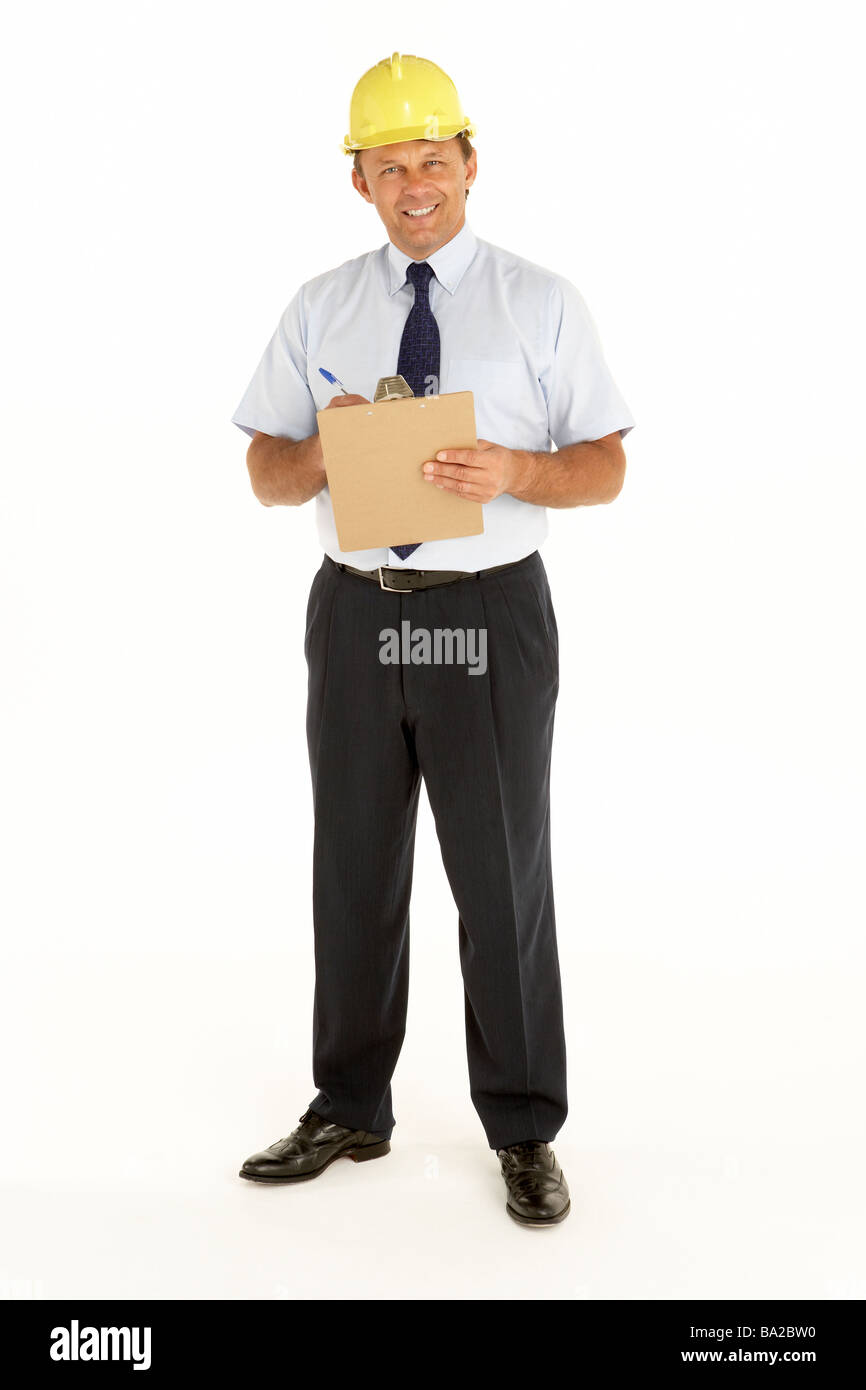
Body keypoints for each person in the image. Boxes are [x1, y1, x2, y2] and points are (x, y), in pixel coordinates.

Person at [230, 52, 635, 1227]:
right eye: (387, 163)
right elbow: (264, 471)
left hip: (484, 615)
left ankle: (521, 1125)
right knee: (352, 868)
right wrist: (321, 447)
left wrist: (516, 468)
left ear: (469, 163)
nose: (414, 182)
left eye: (431, 159)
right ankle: (349, 1103)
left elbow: (604, 464)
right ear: (356, 180)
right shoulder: (322, 304)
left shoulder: (540, 302)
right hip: (356, 613)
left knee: (499, 876)